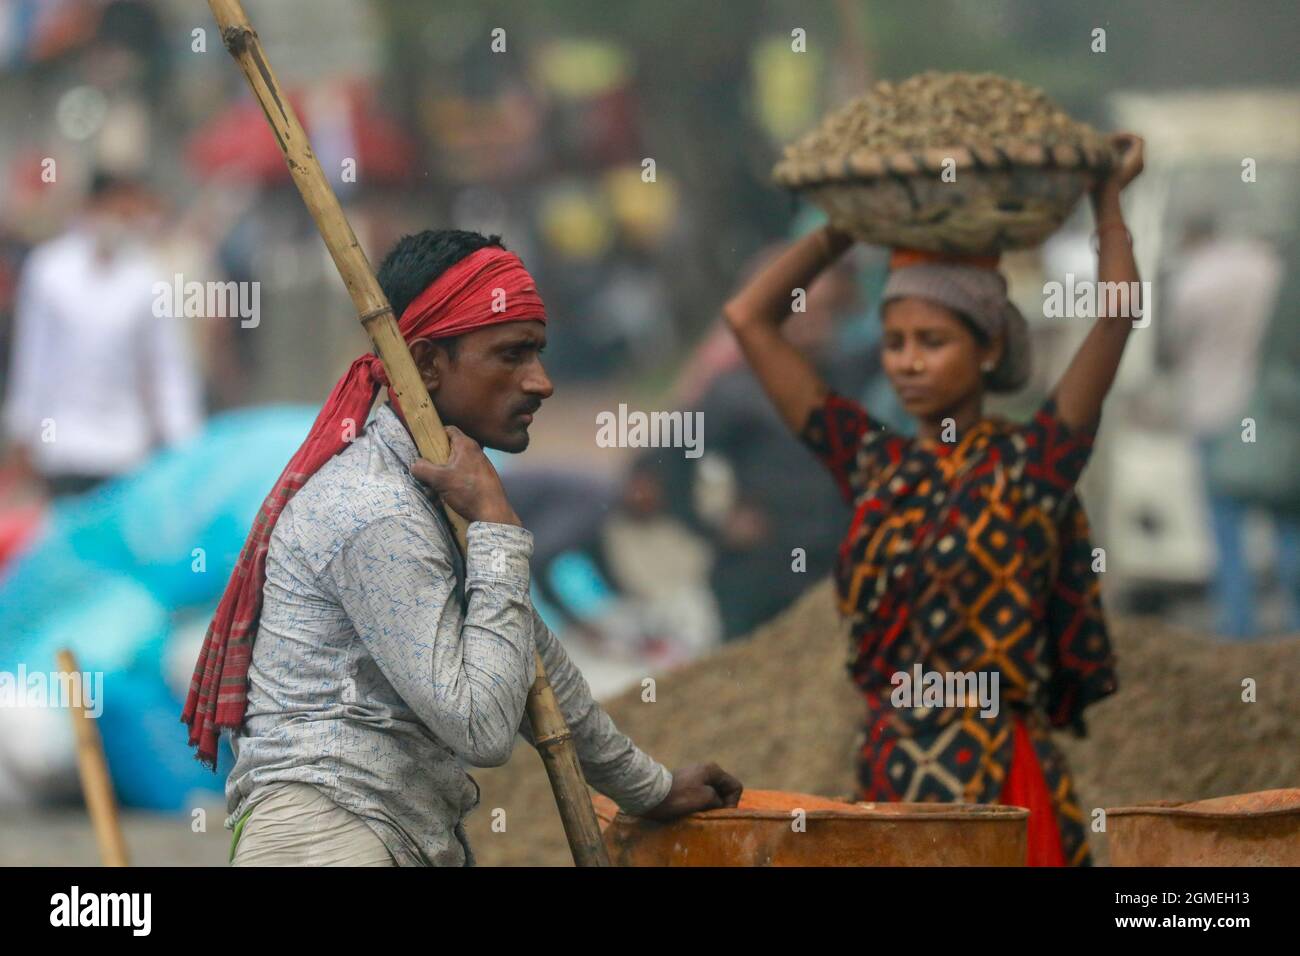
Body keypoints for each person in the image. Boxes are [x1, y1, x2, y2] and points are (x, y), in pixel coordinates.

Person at [184, 229, 741, 866]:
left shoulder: (428, 491)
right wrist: (499, 527)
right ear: (425, 364)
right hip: (333, 841)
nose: (541, 382)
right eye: (513, 354)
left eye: (539, 353)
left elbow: (529, 660)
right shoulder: (375, 510)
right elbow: (479, 725)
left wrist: (650, 788)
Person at [725, 134, 1145, 866]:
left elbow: (1113, 318)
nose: (908, 361)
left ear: (985, 349)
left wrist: (1107, 200)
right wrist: (850, 223)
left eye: (932, 340)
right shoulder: (874, 462)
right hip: (893, 775)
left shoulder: (1033, 462)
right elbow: (749, 320)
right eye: (894, 342)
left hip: (1001, 776)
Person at [2, 170, 203, 497]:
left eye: (129, 214)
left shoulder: (148, 280)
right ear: (93, 208)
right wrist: (23, 429)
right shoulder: (49, 271)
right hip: (63, 450)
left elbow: (167, 369)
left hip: (126, 453)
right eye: (115, 211)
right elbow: (33, 359)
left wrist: (184, 445)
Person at [1165, 218, 1290, 638]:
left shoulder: (1194, 280)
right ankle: (1293, 631)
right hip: (1274, 417)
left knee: (1226, 529)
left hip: (1213, 414)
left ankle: (1238, 629)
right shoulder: (1271, 269)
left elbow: (1176, 344)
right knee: (1286, 521)